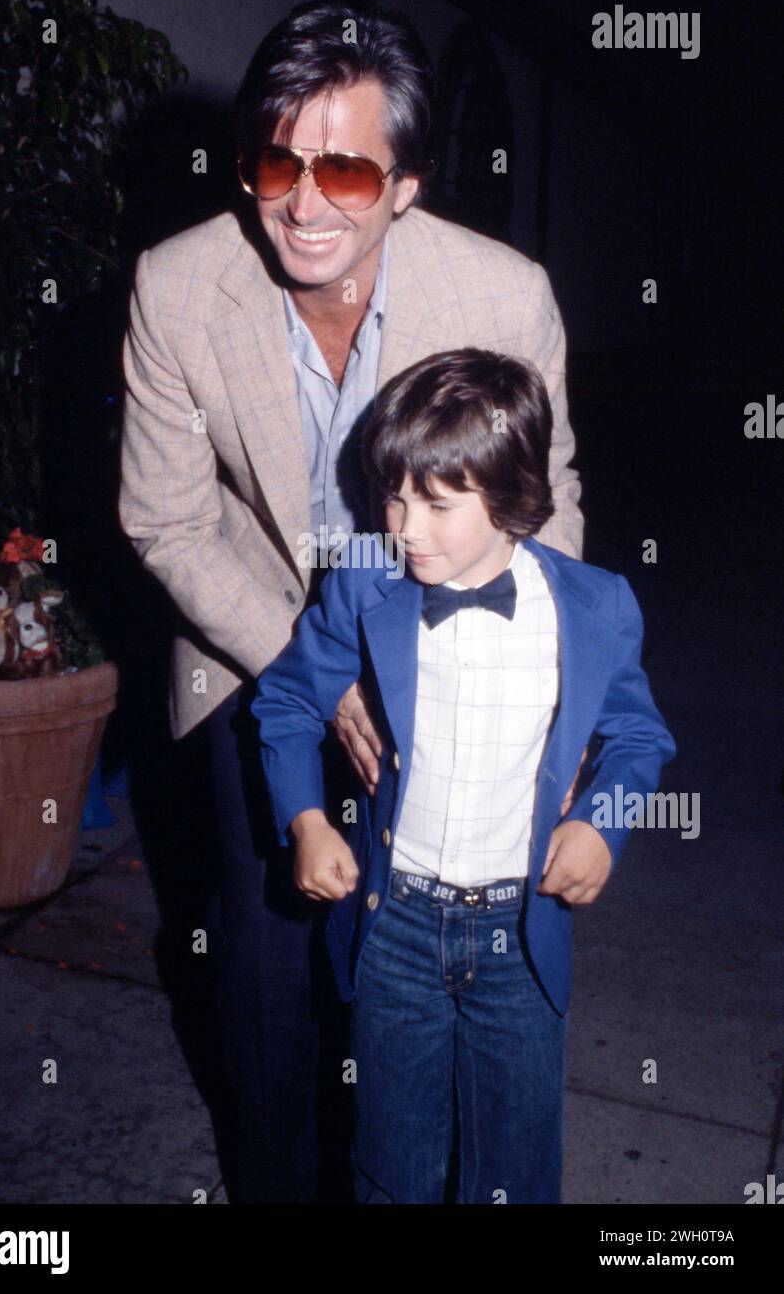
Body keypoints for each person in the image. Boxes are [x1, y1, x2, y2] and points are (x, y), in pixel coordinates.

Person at [118, 0, 583, 1203]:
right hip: (256, 641)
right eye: (277, 159)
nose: (304, 203)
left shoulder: (500, 297)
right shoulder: (177, 290)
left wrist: (544, 693)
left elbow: (547, 504)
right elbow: (166, 520)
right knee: (268, 975)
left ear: (408, 183)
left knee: (437, 967)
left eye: (344, 167)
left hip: (440, 646)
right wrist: (315, 680)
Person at [251, 349, 676, 1204]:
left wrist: (602, 822)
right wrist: (306, 820)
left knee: (515, 1173)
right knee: (392, 1165)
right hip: (397, 926)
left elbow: (640, 736)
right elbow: (287, 701)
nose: (405, 525)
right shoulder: (366, 586)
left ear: (513, 496)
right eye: (395, 495)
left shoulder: (594, 606)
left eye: (438, 504)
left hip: (520, 934)